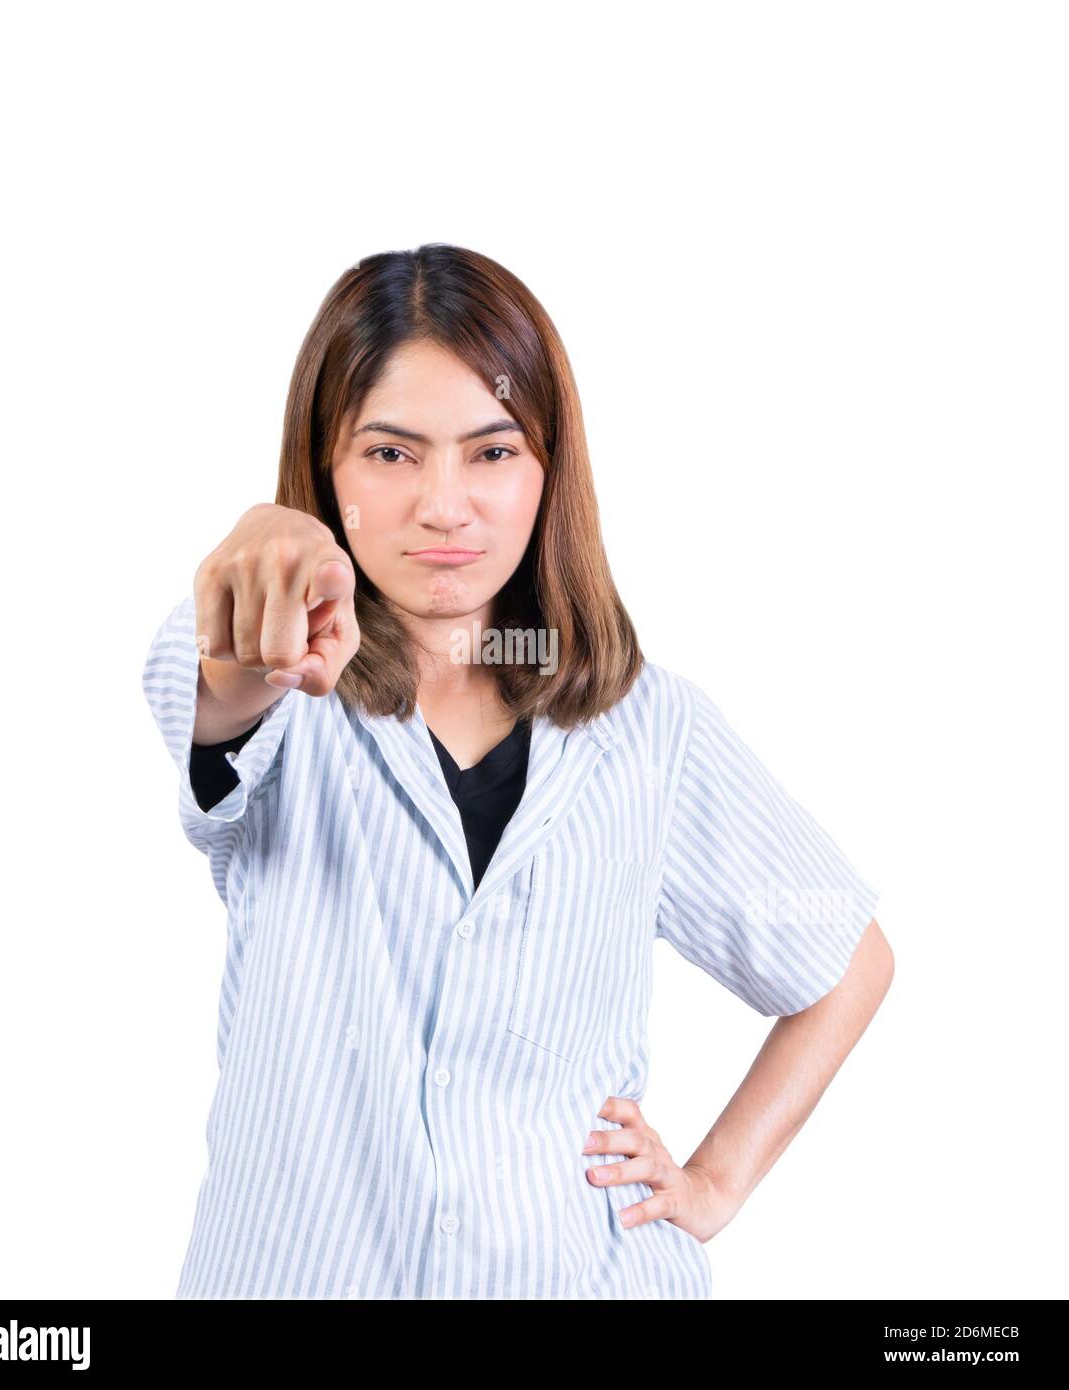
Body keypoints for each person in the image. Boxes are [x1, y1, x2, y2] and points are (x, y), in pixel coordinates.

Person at [141, 243, 893, 1300]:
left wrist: (714, 1180)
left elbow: (845, 962)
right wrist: (264, 552)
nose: (443, 506)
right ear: (324, 466)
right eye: (389, 455)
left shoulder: (648, 727)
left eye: (490, 453)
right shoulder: (285, 684)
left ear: (547, 468)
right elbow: (211, 684)